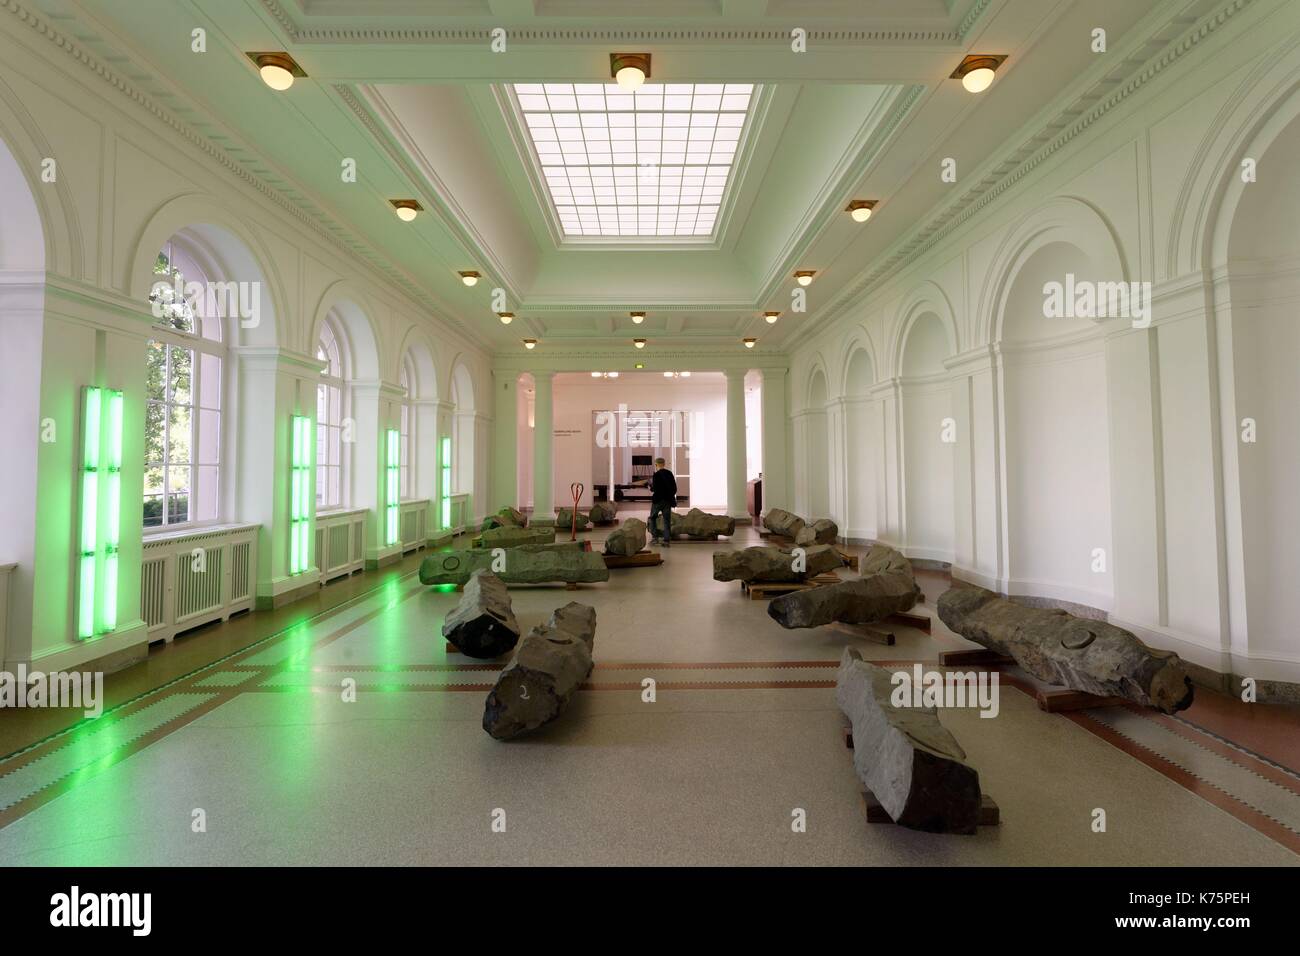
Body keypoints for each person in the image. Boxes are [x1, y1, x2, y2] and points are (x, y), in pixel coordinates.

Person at [646, 457, 677, 547]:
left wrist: (650, 488)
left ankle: (655, 538)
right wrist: (668, 496)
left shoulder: (656, 475)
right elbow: (674, 489)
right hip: (667, 501)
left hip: (657, 501)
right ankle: (666, 540)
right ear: (664, 464)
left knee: (652, 518)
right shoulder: (669, 473)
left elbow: (655, 489)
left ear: (656, 465)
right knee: (667, 520)